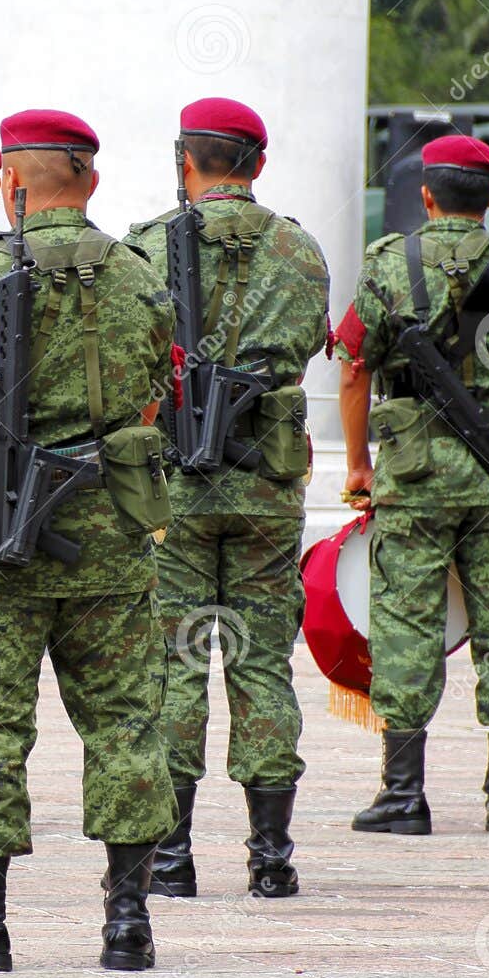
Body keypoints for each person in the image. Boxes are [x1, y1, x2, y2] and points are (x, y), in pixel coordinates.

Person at [0, 110, 178, 972]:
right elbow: (150, 403)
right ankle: (128, 922)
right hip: (111, 543)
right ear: (89, 179)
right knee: (129, 724)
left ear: (9, 185)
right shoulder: (140, 277)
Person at [122, 98, 329, 898]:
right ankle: (271, 855)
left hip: (171, 491)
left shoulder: (145, 244)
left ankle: (170, 860)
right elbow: (307, 344)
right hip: (266, 488)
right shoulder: (303, 249)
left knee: (175, 663)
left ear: (185, 162)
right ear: (258, 165)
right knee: (262, 662)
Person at [335, 133, 489, 838]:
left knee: (405, 623)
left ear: (426, 196)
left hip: (414, 478)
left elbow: (351, 367)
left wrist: (359, 464)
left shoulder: (388, 265)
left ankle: (404, 795)